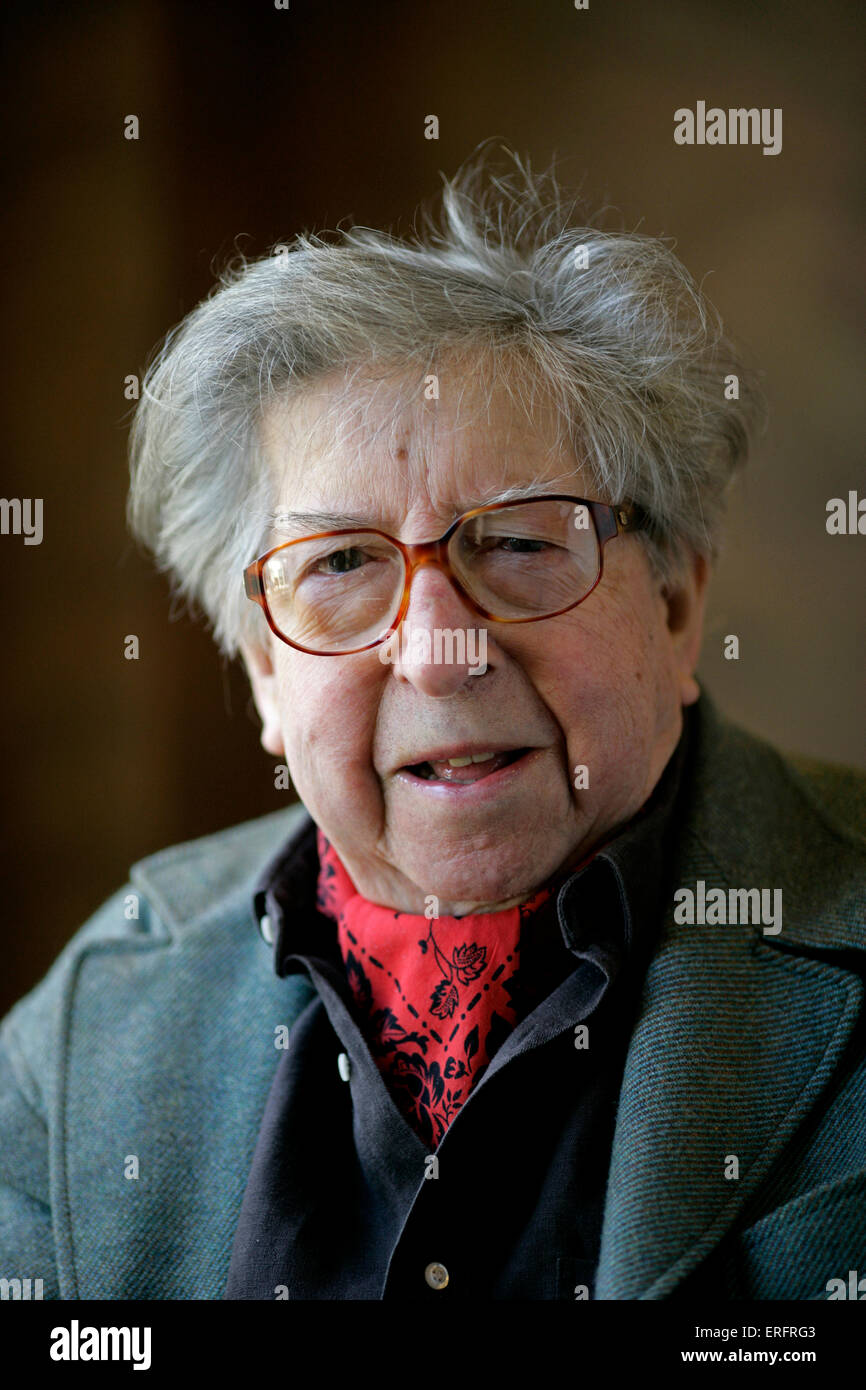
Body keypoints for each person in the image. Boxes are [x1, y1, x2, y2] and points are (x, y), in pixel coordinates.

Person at [1, 152, 864, 1302]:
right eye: (343, 563)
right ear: (264, 665)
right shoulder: (78, 1035)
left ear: (673, 603)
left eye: (514, 542)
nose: (438, 651)